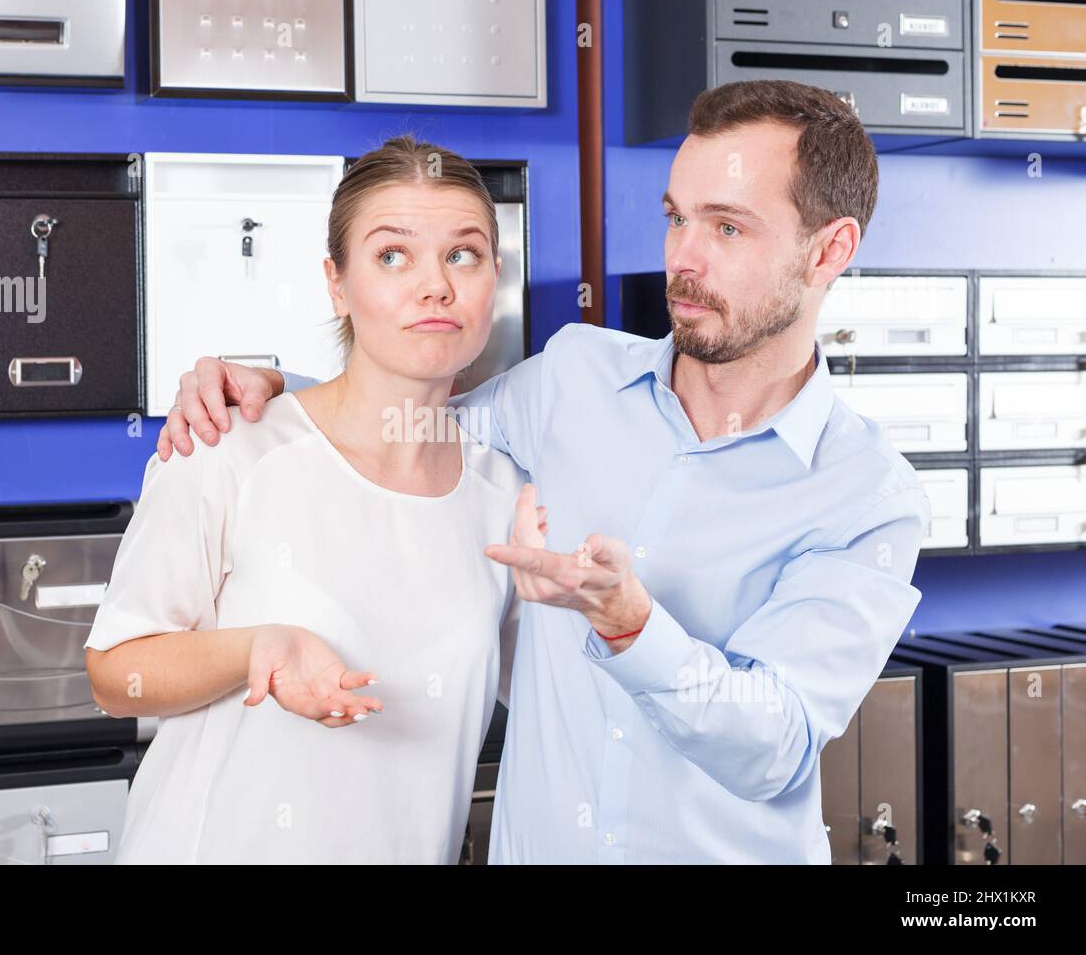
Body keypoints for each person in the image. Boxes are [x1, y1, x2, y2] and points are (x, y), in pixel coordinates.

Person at [157, 80, 932, 863]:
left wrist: (631, 626)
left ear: (830, 249)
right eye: (677, 218)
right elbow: (410, 423)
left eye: (728, 228)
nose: (682, 259)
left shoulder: (867, 496)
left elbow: (775, 744)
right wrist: (273, 390)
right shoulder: (575, 375)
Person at [84, 136, 529, 863]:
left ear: (494, 280)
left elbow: (547, 693)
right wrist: (259, 648)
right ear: (336, 283)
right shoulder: (232, 448)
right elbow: (115, 675)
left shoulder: (504, 498)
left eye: (464, 254)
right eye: (392, 255)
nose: (435, 286)